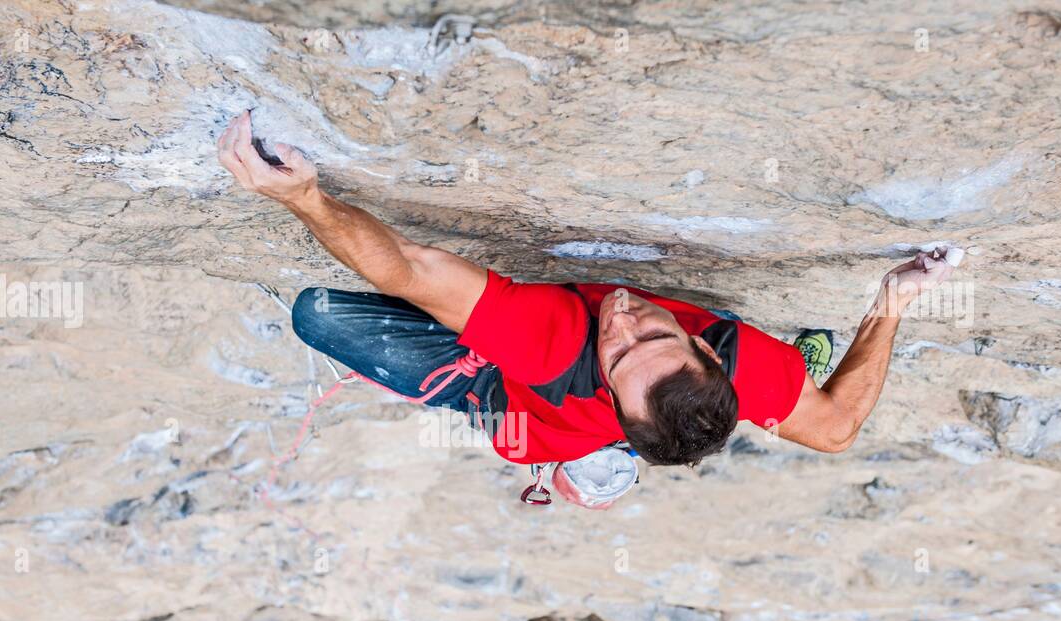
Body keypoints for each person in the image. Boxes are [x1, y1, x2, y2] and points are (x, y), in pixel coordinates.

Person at [216, 112, 959, 505]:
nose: (628, 317)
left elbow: (409, 269)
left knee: (315, 313)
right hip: (610, 414)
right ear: (708, 353)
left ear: (604, 380)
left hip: (507, 405)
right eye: (656, 334)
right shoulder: (749, 366)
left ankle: (580, 446)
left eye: (622, 352)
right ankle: (611, 448)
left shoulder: (552, 345)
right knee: (782, 384)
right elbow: (835, 429)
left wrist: (301, 198)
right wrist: (891, 303)